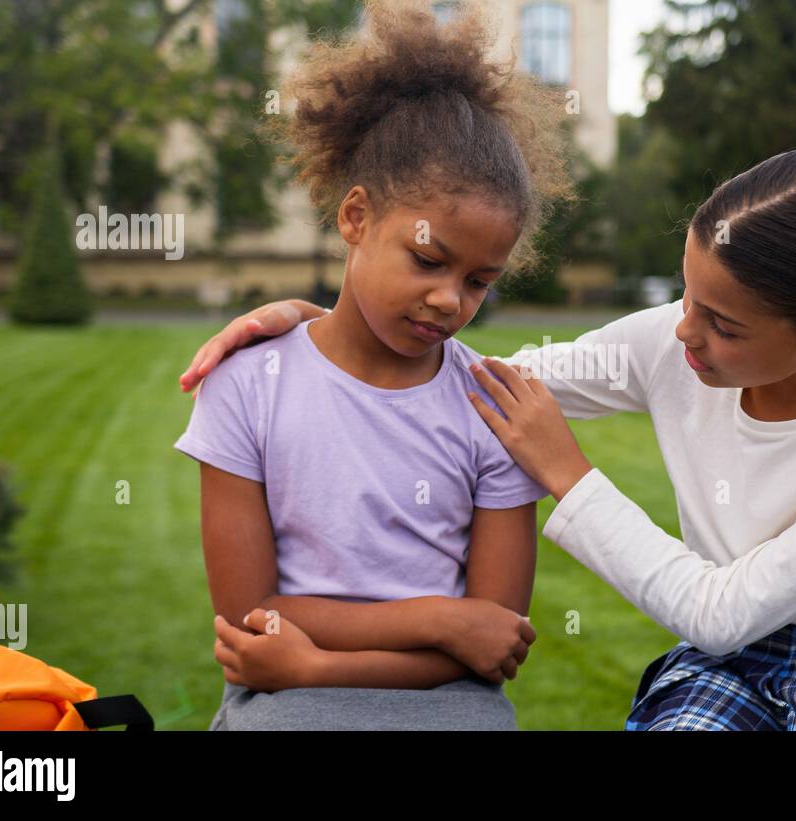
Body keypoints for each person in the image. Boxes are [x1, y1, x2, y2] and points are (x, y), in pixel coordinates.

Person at [181, 147, 796, 731]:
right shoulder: (675, 340)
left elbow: (719, 613)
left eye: (720, 323)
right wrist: (314, 326)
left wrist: (567, 472)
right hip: (740, 672)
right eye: (685, 296)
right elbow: (478, 377)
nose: (682, 334)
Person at [172, 0, 571, 730]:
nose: (449, 299)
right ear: (355, 217)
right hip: (284, 701)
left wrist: (323, 661)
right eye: (427, 259)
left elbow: (490, 642)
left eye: (481, 280)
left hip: (447, 706)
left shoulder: (494, 410)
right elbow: (249, 616)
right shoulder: (244, 389)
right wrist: (437, 619)